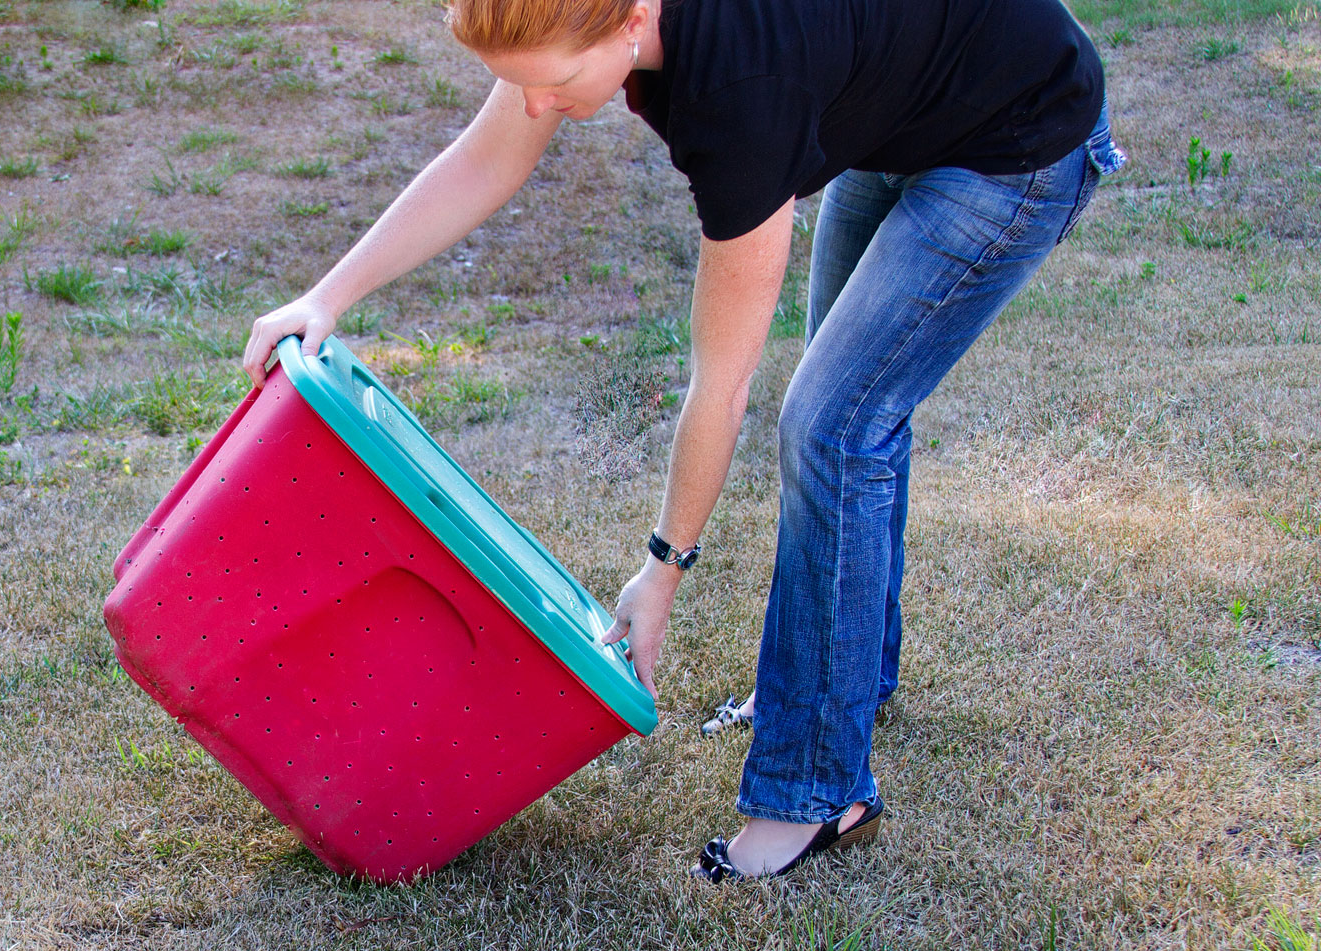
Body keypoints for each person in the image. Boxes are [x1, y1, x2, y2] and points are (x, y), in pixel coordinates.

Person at [242, 0, 1126, 881]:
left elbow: (722, 384)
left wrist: (662, 569)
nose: (536, 107)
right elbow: (485, 159)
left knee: (834, 427)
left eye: (551, 84)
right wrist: (330, 294)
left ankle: (817, 792)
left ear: (632, 21)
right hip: (915, 103)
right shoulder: (586, 20)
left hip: (1017, 130)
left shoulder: (742, 89)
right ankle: (845, 687)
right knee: (851, 418)